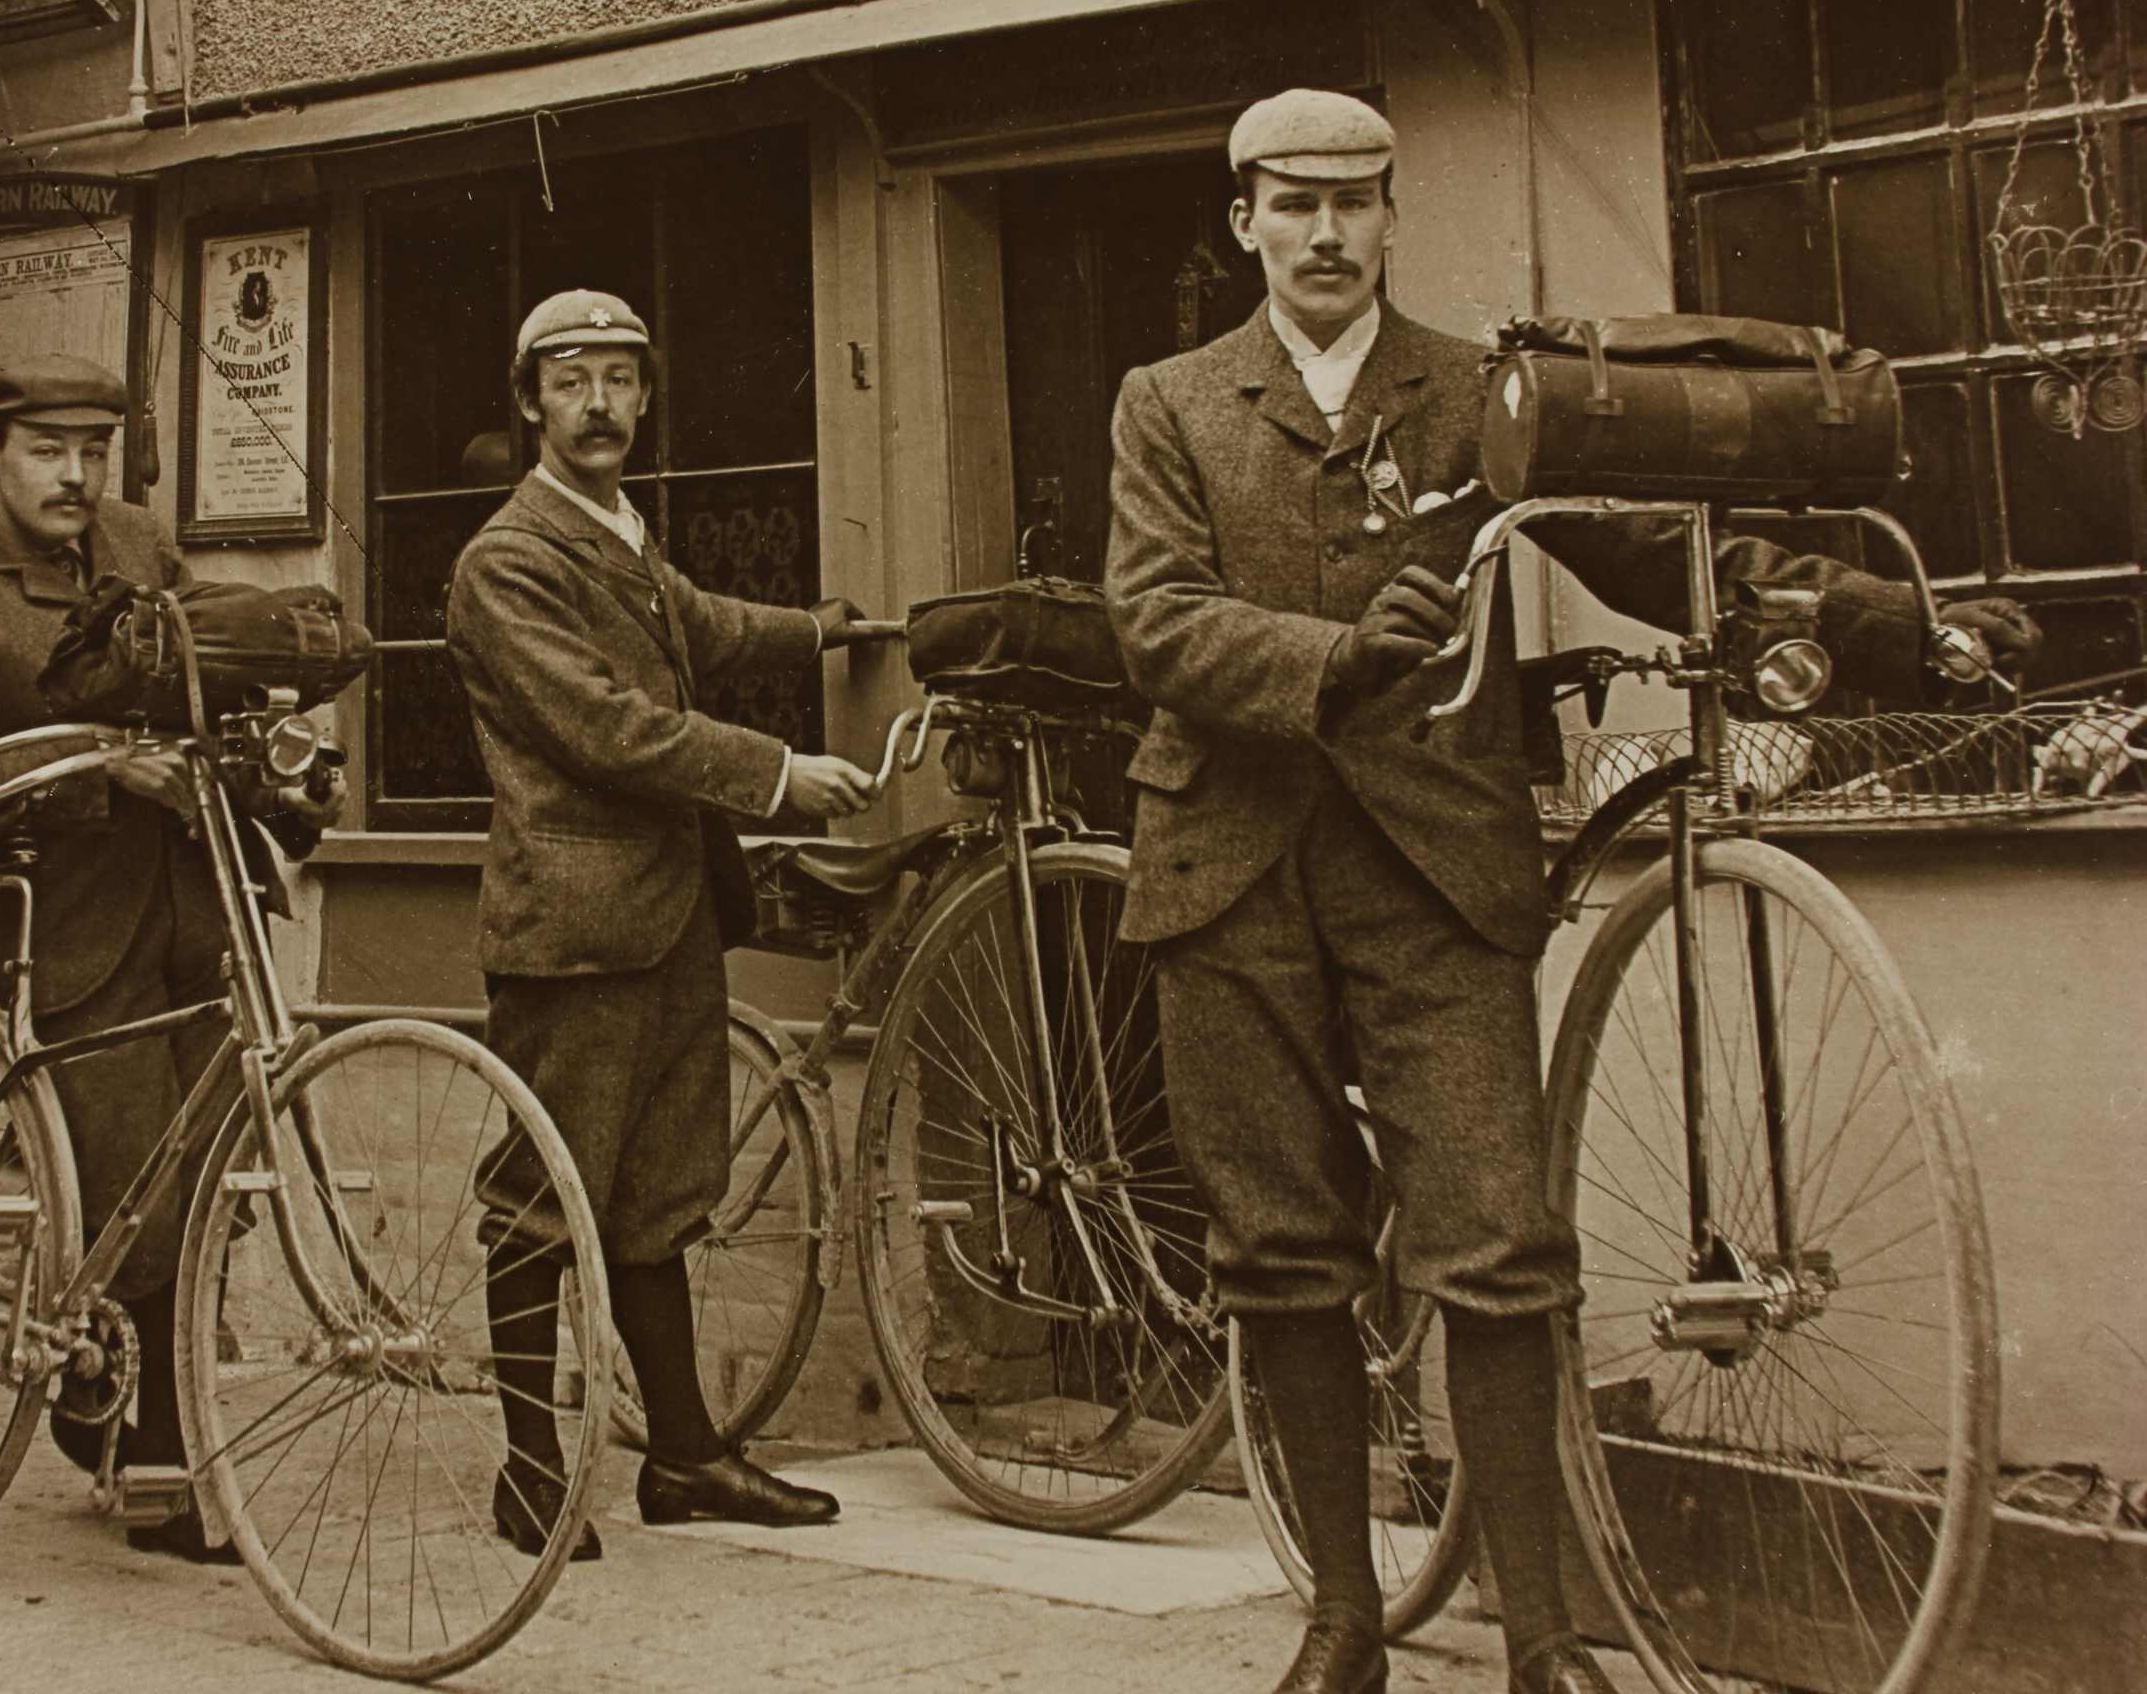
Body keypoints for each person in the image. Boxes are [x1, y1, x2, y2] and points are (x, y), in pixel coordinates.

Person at [1103, 92, 2040, 1694]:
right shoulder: (1170, 403)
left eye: (1357, 203)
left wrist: (1881, 621)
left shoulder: (1480, 391)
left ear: (1395, 217)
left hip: (1439, 871)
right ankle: (1343, 1616)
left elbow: (1658, 548)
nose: (1327, 234)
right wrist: (1336, 657)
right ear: (1241, 220)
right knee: (1282, 1253)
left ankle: (1542, 1636)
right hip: (1228, 869)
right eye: (1293, 204)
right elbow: (1156, 619)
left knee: (1500, 1244)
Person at [447, 290, 885, 1560]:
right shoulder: (509, 560)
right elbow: (604, 725)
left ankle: (684, 1457)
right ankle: (531, 1471)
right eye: (573, 381)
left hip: (670, 915)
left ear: (645, 396)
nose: (600, 405)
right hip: (576, 930)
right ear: (529, 401)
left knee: (655, 1201)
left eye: (622, 380)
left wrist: (826, 631)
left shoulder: (621, 536)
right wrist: (778, 775)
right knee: (543, 1198)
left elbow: (700, 625)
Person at [0, 353, 330, 1563]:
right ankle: (168, 1475)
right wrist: (103, 765)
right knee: (148, 1184)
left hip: (196, 902)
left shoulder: (137, 539)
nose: (78, 476)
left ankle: (114, 1400)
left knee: (214, 1176)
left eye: (94, 449)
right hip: (69, 931)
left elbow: (196, 678)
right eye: (47, 451)